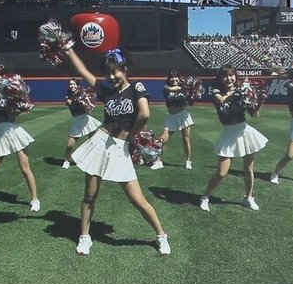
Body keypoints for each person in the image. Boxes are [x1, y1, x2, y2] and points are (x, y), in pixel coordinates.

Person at [64, 46, 171, 256]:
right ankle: (84, 237)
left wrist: (132, 135)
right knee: (89, 195)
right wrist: (68, 51)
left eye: (116, 71)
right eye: (108, 72)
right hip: (100, 143)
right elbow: (84, 73)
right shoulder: (107, 90)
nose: (112, 76)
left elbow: (145, 114)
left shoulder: (137, 88)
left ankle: (161, 236)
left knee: (138, 200)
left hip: (120, 149)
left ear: (125, 69)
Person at [199, 65, 268, 212]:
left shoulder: (243, 92)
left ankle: (248, 198)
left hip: (244, 131)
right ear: (220, 78)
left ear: (235, 76)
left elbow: (254, 115)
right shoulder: (217, 91)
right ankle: (205, 196)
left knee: (248, 169)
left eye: (231, 75)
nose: (228, 78)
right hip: (228, 133)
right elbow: (221, 100)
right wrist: (237, 93)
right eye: (225, 76)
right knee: (222, 172)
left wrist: (257, 103)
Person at [0, 66, 40, 213]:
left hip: (12, 132)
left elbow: (11, 117)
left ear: (2, 77)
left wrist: (11, 103)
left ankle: (35, 199)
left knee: (25, 168)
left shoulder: (10, 92)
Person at [150, 71, 195, 171]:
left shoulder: (184, 89)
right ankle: (158, 161)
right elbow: (172, 89)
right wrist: (185, 87)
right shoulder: (166, 88)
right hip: (172, 117)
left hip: (183, 116)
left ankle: (188, 161)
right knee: (162, 140)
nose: (174, 79)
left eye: (176, 77)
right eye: (172, 77)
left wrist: (192, 93)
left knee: (186, 139)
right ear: (169, 79)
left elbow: (190, 102)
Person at [62, 78, 101, 169]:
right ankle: (67, 160)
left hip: (86, 120)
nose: (72, 86)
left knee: (94, 142)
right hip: (77, 121)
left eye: (74, 84)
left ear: (77, 85)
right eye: (70, 84)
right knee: (69, 145)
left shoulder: (82, 93)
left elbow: (89, 107)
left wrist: (85, 105)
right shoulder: (69, 95)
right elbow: (69, 104)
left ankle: (95, 160)